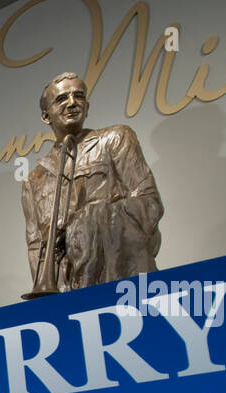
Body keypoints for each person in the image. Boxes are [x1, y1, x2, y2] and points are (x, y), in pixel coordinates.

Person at [21, 72, 163, 292]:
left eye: (79, 96)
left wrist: (87, 220)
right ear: (46, 116)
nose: (72, 103)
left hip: (119, 281)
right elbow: (35, 246)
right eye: (61, 99)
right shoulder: (33, 179)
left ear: (87, 107)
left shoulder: (116, 138)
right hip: (67, 291)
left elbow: (150, 204)